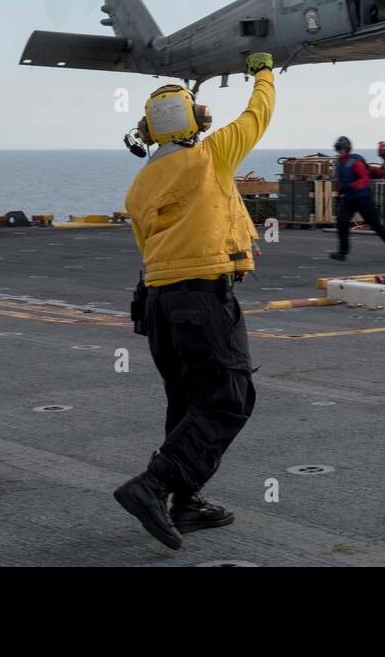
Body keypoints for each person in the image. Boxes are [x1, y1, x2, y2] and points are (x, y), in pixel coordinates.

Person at [113, 52, 275, 551]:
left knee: (186, 405)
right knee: (229, 398)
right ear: (195, 121)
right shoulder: (212, 155)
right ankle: (153, 486)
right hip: (202, 300)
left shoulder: (139, 185)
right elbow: (258, 115)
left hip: (159, 304)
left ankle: (185, 502)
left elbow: (149, 247)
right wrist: (263, 72)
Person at [329, 135, 385, 264]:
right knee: (342, 222)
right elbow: (341, 179)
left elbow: (364, 179)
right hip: (349, 198)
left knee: (374, 224)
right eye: (338, 149)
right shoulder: (339, 163)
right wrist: (341, 190)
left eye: (341, 148)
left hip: (363, 197)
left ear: (347, 149)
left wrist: (351, 186)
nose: (339, 151)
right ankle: (342, 252)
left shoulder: (355, 162)